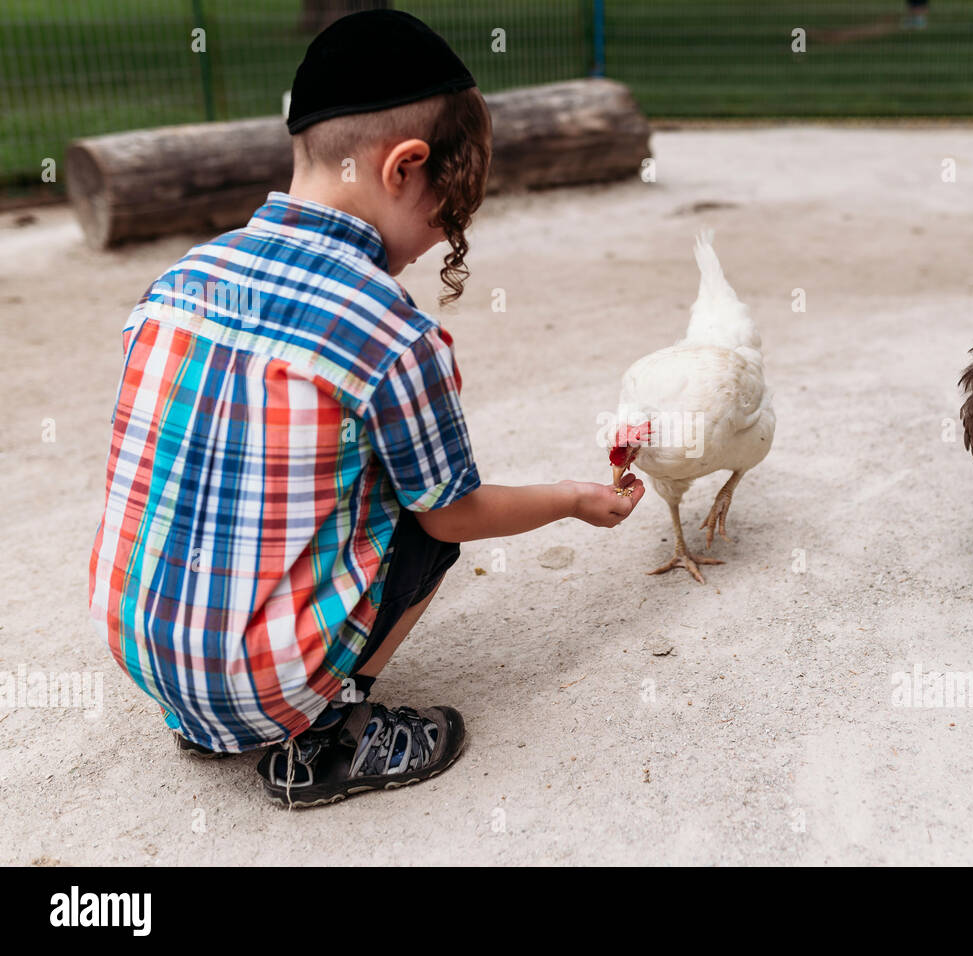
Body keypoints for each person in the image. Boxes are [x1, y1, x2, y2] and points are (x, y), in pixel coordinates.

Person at [88, 10, 646, 808]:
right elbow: (453, 517)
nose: (436, 241)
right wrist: (573, 501)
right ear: (405, 168)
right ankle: (320, 741)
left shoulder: (182, 279)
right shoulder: (391, 333)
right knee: (424, 511)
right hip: (264, 680)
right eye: (448, 214)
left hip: (143, 654)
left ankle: (205, 714)